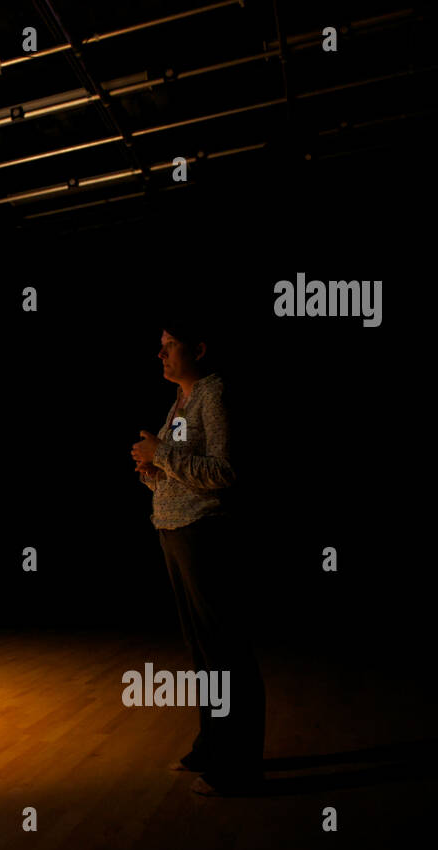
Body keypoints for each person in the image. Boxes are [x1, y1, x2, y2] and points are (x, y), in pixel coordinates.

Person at [131, 322, 265, 796]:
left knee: (224, 650)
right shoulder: (181, 402)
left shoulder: (215, 394)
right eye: (161, 345)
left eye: (170, 345)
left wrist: (162, 453)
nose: (160, 353)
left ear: (200, 348)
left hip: (207, 534)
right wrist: (152, 470)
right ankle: (213, 744)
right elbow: (181, 473)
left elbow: (225, 472)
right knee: (202, 651)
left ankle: (239, 764)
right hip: (175, 532)